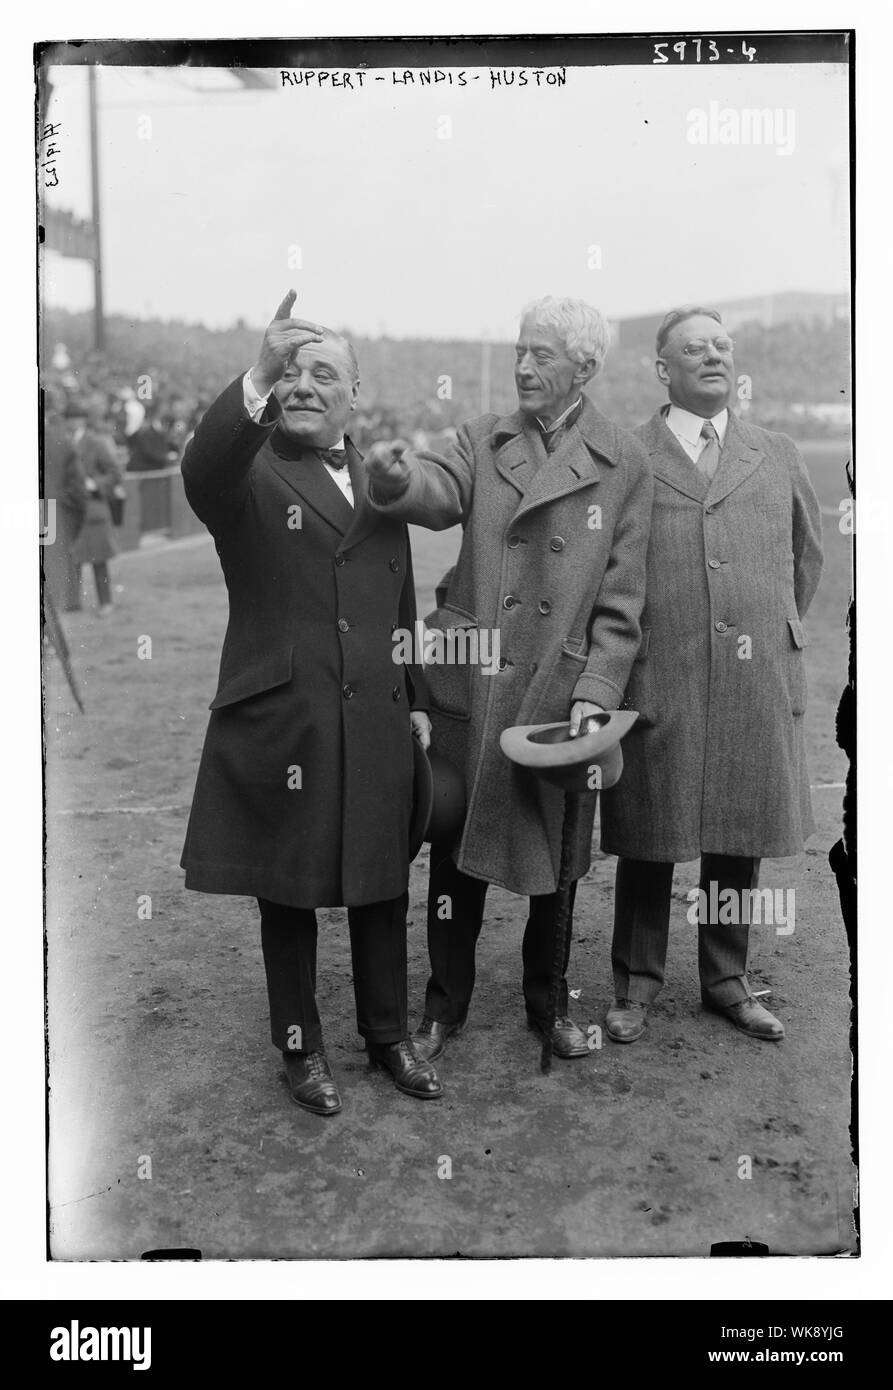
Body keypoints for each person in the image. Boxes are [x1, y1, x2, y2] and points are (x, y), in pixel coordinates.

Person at [366, 296, 653, 1062]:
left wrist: (595, 696)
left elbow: (622, 604)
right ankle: (441, 1010)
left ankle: (550, 1007)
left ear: (583, 368)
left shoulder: (623, 461)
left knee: (554, 869)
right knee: (456, 863)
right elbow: (435, 489)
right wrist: (396, 480)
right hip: (472, 686)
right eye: (520, 351)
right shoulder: (481, 439)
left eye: (542, 355)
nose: (524, 366)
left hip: (554, 699)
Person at [180, 291, 443, 1116]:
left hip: (374, 714)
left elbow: (398, 595)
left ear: (353, 395)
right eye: (289, 372)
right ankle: (301, 1052)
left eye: (322, 373)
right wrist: (254, 368)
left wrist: (416, 696)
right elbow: (202, 466)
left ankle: (387, 1035)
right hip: (284, 716)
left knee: (380, 879)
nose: (302, 385)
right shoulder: (247, 473)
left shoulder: (379, 477)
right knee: (287, 891)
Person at [599, 306, 824, 1043]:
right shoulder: (627, 454)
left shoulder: (776, 451)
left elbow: (805, 559)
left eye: (722, 346)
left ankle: (726, 981)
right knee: (647, 833)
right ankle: (633, 987)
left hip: (753, 674)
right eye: (693, 349)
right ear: (662, 369)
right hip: (659, 672)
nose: (712, 357)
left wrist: (763, 624)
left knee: (739, 833)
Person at [67, 400, 126, 617]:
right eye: (69, 419)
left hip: (93, 506)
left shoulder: (96, 442)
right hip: (70, 507)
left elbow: (115, 473)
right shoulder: (62, 443)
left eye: (75, 418)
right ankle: (71, 602)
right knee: (70, 559)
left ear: (83, 420)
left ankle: (106, 602)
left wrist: (96, 483)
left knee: (98, 558)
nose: (72, 423)